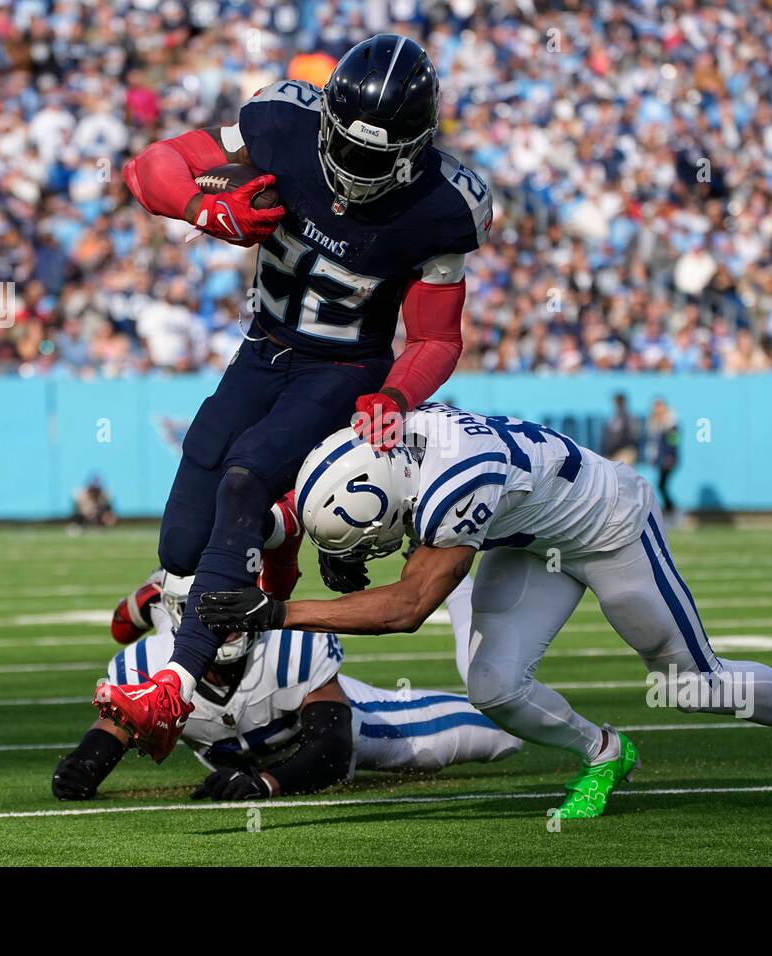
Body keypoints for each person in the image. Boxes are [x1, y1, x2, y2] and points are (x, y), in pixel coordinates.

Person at [197, 403, 772, 819]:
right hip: (527, 537)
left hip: (609, 527)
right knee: (492, 685)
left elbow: (405, 608)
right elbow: (330, 504)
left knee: (692, 684)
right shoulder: (384, 441)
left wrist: (277, 611)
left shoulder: (452, 485)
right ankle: (604, 753)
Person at [99, 35, 492, 761]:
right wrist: (200, 207)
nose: (352, 171)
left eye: (377, 158)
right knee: (186, 529)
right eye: (345, 146)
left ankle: (177, 682)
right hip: (261, 350)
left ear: (414, 149)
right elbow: (150, 165)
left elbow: (436, 339)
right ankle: (234, 580)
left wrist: (395, 395)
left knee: (248, 474)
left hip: (341, 370)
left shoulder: (443, 206)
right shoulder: (283, 120)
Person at [57, 567, 518, 801]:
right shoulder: (148, 662)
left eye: (233, 608)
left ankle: (459, 590)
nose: (227, 624)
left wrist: (265, 784)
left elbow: (333, 752)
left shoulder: (288, 645)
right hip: (250, 750)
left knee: (504, 731)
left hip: (351, 726)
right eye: (211, 612)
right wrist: (79, 770)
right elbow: (107, 735)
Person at [645, 397, 680, 519]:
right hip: (660, 460)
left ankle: (673, 511)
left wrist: (671, 456)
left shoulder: (671, 423)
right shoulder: (655, 423)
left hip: (668, 459)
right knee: (661, 485)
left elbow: (674, 441)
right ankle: (670, 511)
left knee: (661, 485)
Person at [600, 393, 641, 465]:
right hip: (612, 454)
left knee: (624, 475)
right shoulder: (613, 418)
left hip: (625, 452)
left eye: (619, 402)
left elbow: (635, 437)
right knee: (613, 475)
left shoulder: (630, 418)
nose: (617, 405)